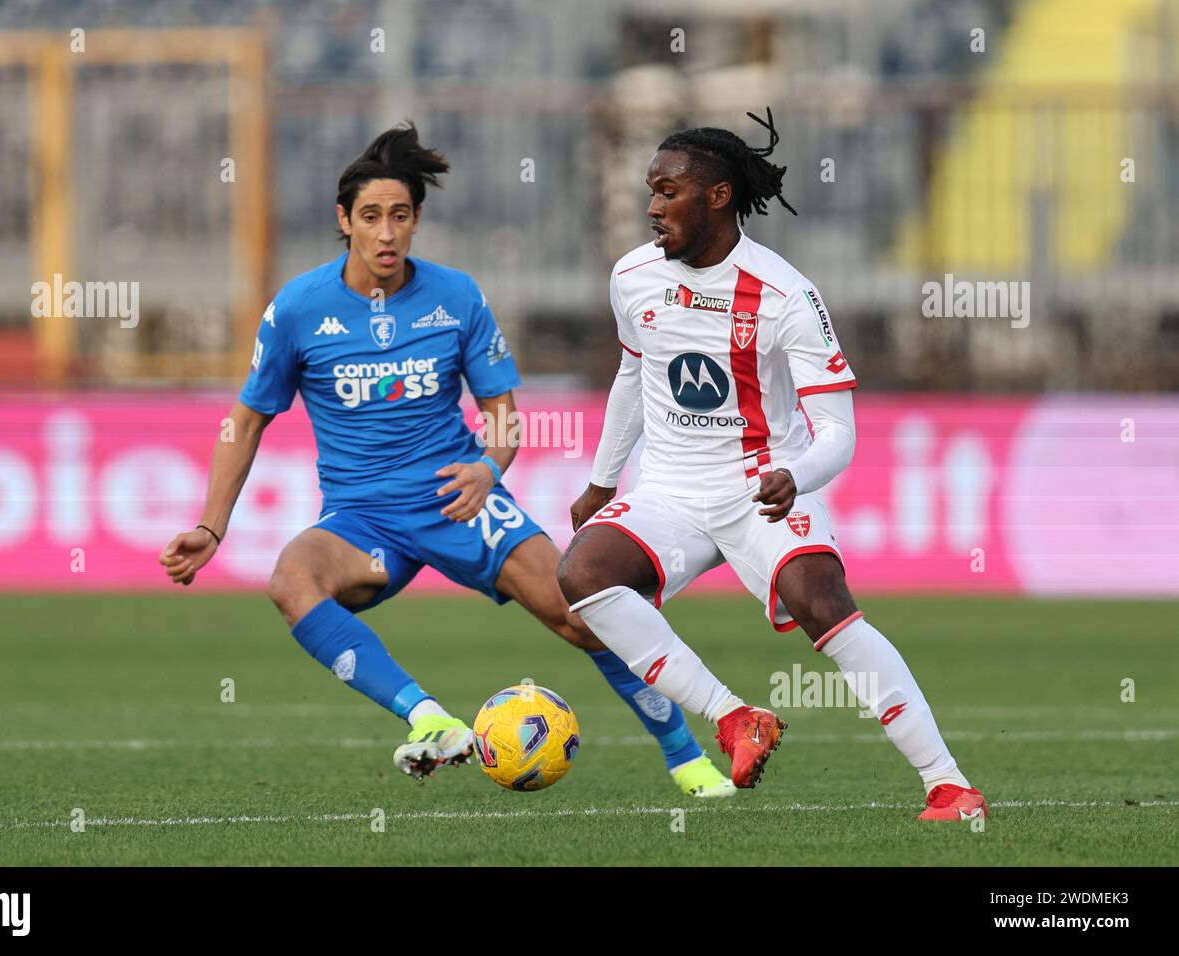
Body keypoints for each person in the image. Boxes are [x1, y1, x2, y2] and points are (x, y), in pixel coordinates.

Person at [160, 122, 733, 796]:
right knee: (291, 580)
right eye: (370, 217)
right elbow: (246, 421)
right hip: (362, 523)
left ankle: (686, 757)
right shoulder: (298, 310)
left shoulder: (455, 297)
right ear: (344, 221)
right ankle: (428, 719)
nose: (386, 233)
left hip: (461, 502)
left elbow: (503, 417)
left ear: (416, 221)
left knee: (583, 611)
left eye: (399, 216)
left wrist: (489, 468)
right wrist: (211, 525)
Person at [558, 111, 987, 820]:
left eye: (668, 193)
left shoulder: (787, 295)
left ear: (717, 197)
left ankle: (947, 782)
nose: (652, 207)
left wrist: (800, 476)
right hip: (669, 489)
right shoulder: (633, 277)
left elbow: (838, 432)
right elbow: (632, 378)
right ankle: (734, 718)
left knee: (823, 604)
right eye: (650, 192)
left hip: (763, 486)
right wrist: (604, 480)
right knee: (582, 575)